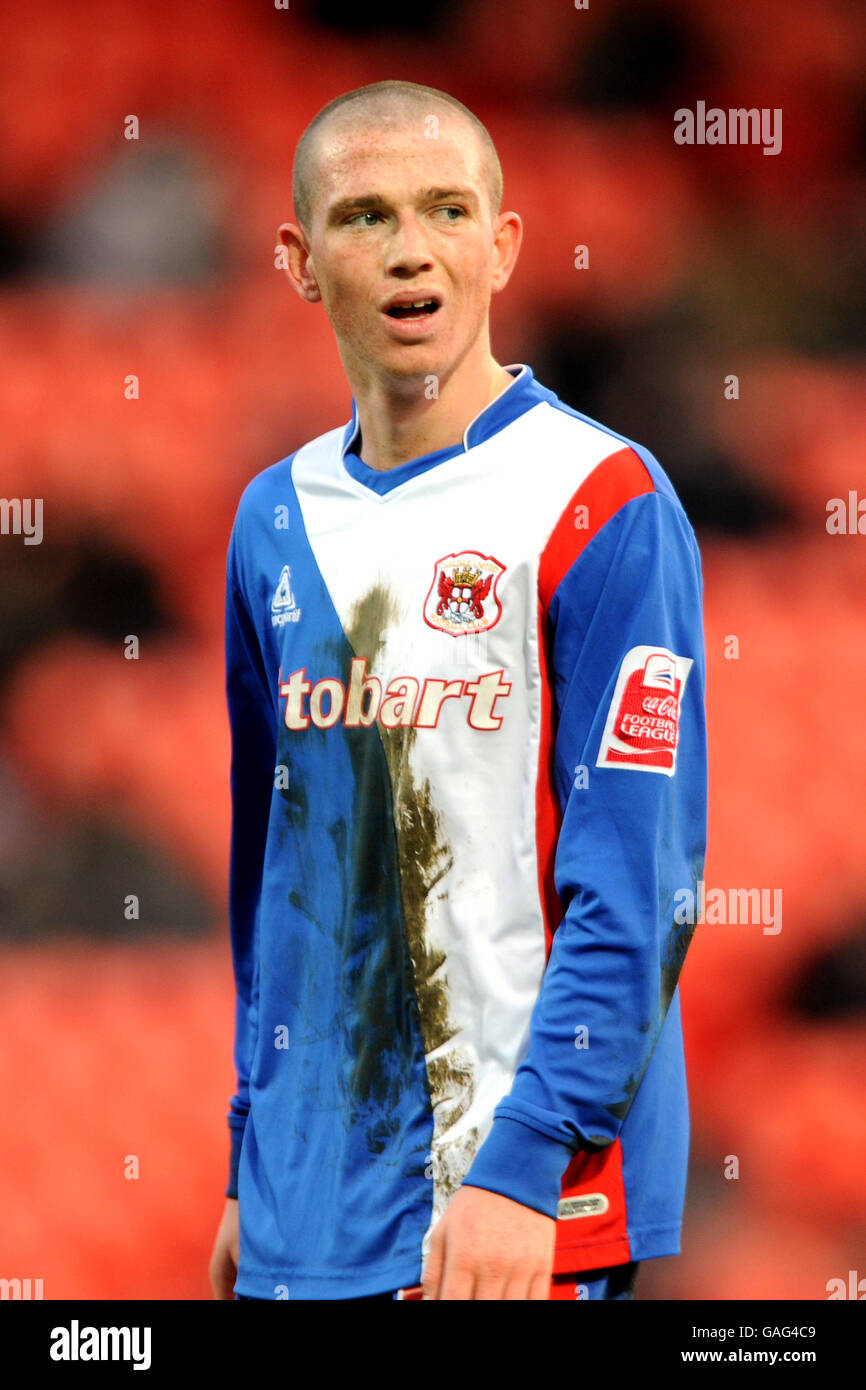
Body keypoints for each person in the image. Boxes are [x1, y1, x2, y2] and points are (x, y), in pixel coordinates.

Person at [209, 80, 707, 1302]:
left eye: (445, 209)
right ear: (298, 260)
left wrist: (523, 1168)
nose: (410, 249)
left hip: (517, 1210)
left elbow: (640, 879)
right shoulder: (271, 522)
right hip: (301, 1208)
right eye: (364, 216)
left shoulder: (601, 500)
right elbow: (273, 873)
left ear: (502, 244)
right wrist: (248, 1153)